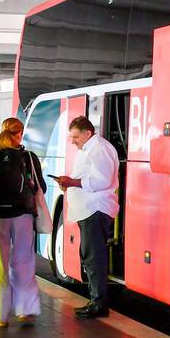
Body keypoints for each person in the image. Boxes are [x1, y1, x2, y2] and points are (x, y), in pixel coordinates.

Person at [50, 115, 118, 320]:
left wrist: (72, 182)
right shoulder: (90, 148)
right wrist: (70, 182)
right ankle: (96, 300)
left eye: (76, 137)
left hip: (94, 210)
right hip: (89, 211)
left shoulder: (98, 149)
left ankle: (99, 304)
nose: (73, 141)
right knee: (90, 256)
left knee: (94, 257)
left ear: (88, 133)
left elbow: (102, 181)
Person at [0, 117, 47, 328]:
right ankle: (25, 310)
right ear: (19, 134)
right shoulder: (28, 157)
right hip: (23, 216)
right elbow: (41, 187)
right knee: (23, 261)